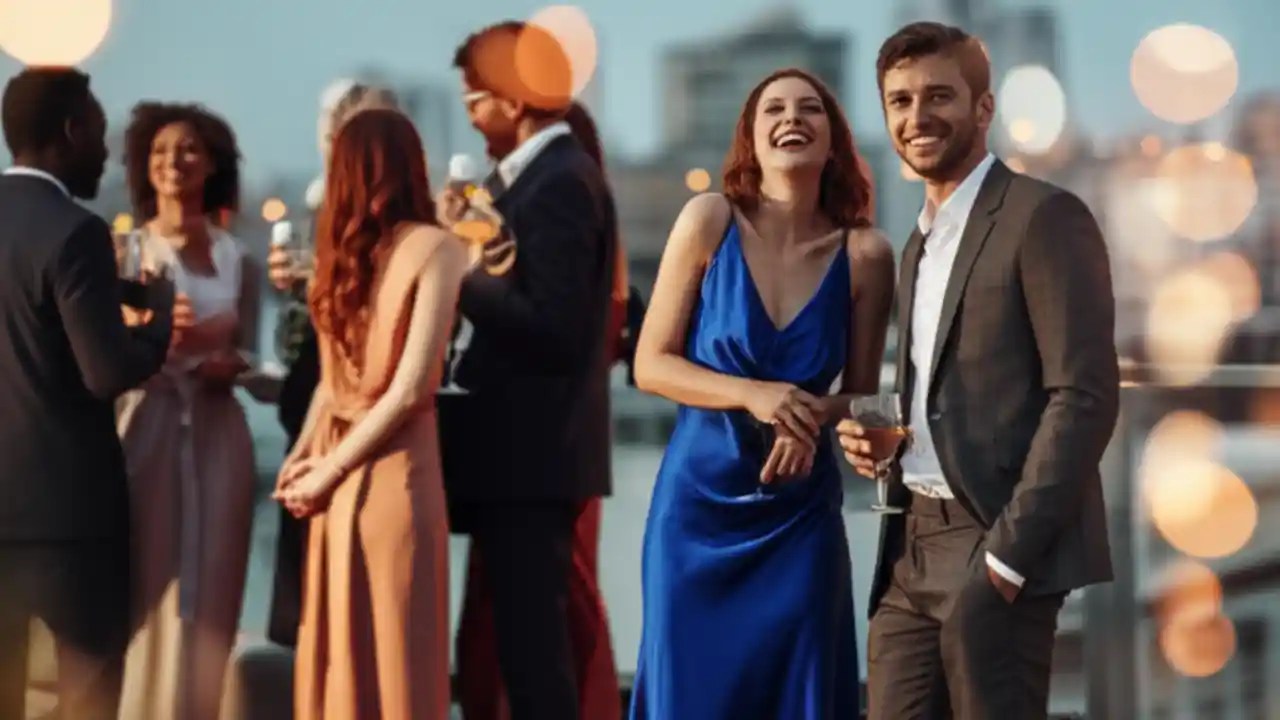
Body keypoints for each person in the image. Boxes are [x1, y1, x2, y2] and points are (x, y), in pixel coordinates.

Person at [837, 22, 1119, 719]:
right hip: (909, 545)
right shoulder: (917, 244)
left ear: (984, 109)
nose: (916, 117)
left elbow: (1082, 396)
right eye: (899, 101)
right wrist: (891, 444)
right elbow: (948, 392)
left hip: (993, 540)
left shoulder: (1045, 216)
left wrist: (1005, 559)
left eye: (939, 96)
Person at [629, 67, 895, 718]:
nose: (790, 118)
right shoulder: (707, 220)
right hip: (695, 513)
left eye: (810, 109)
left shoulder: (866, 254)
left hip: (799, 516)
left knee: (798, 690)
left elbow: (860, 396)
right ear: (751, 136)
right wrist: (756, 395)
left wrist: (805, 415)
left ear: (834, 140)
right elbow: (650, 365)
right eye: (772, 108)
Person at [440, 20, 618, 719]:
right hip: (518, 462)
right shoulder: (540, 179)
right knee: (518, 649)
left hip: (531, 459)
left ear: (512, 103)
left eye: (474, 102)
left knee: (534, 659)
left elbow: (557, 327)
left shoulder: (559, 183)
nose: (473, 118)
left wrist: (458, 274)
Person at [274, 108, 461, 720]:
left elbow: (330, 388)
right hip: (395, 475)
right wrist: (318, 465)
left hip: (338, 468)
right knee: (401, 658)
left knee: (340, 656)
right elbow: (411, 389)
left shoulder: (334, 262)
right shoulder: (436, 248)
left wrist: (312, 459)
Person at [0, 67, 174, 720]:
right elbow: (105, 371)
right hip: (68, 520)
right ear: (71, 132)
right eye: (100, 135)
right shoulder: (76, 230)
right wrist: (157, 321)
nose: (105, 152)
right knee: (89, 696)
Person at [113, 101, 257, 720]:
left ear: (213, 164)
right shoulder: (124, 251)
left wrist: (235, 366)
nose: (174, 161)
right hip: (146, 426)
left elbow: (256, 352)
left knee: (213, 586)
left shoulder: (238, 258)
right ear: (145, 166)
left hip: (219, 432)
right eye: (161, 150)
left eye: (190, 148)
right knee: (143, 581)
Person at [265, 80, 401, 649]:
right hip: (314, 401)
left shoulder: (396, 220)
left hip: (359, 415)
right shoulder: (325, 200)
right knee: (306, 583)